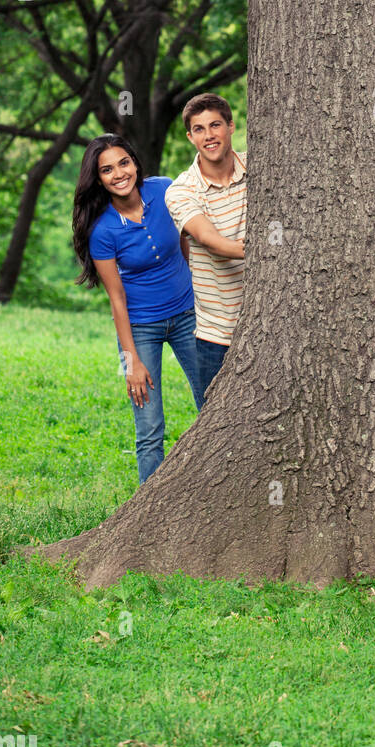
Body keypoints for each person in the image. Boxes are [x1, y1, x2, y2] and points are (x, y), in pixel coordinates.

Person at [72, 134, 203, 484]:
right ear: (98, 179)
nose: (118, 174)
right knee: (149, 428)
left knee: (215, 402)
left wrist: (199, 293)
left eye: (123, 163)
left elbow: (185, 241)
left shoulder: (164, 190)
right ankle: (150, 512)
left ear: (135, 163)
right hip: (140, 328)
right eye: (107, 170)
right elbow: (116, 299)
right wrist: (131, 363)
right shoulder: (102, 231)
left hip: (189, 315)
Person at [165, 94, 246, 397]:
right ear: (190, 137)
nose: (209, 135)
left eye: (215, 125)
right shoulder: (181, 190)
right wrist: (266, 255)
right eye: (199, 129)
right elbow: (209, 239)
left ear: (231, 126)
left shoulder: (262, 170)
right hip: (217, 335)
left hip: (273, 329)